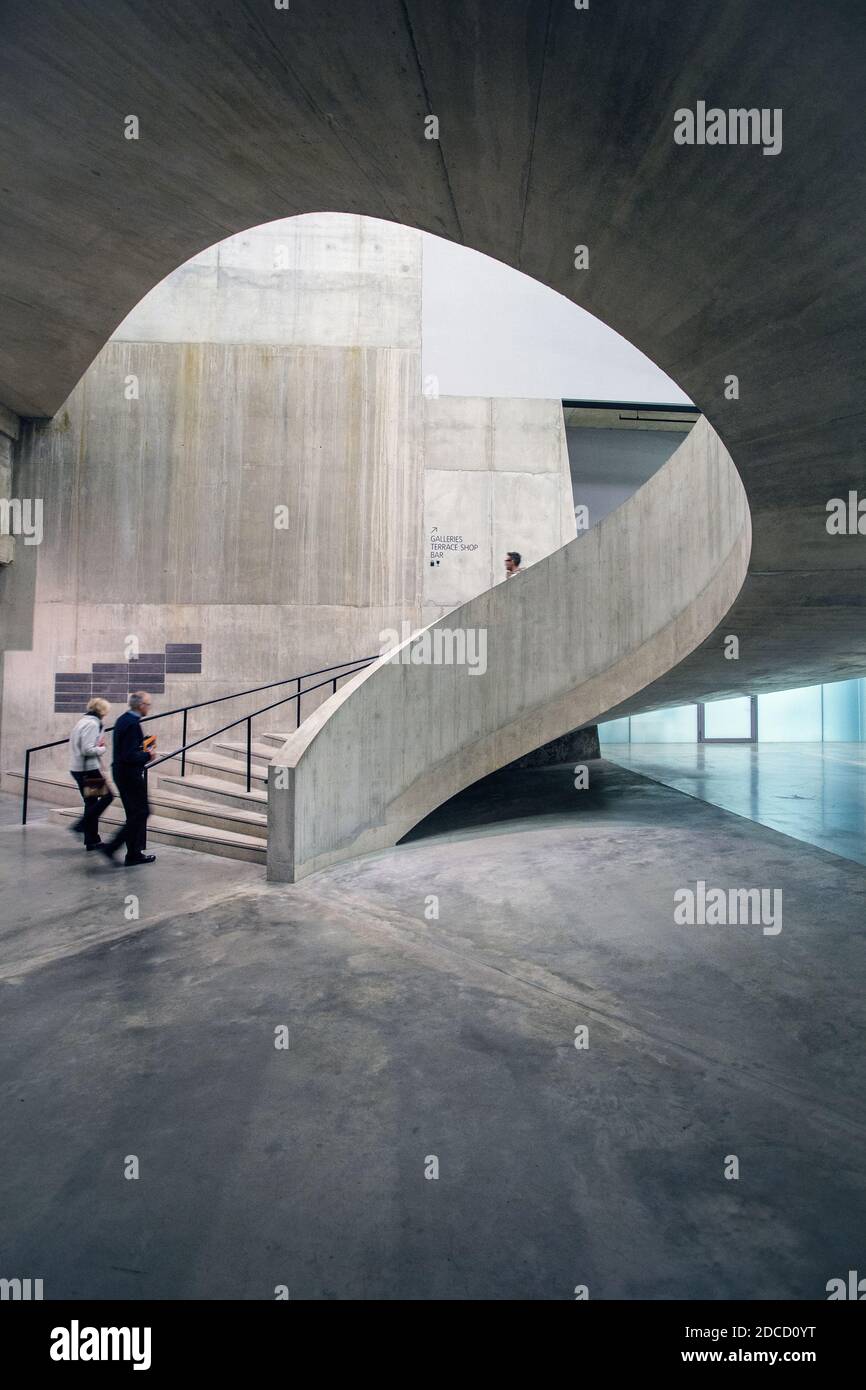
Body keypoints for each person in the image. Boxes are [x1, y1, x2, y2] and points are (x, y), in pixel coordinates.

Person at [100, 690, 157, 867]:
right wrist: (148, 756)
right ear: (141, 706)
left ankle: (133, 853)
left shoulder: (123, 719)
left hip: (121, 773)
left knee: (134, 814)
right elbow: (129, 755)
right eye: (148, 704)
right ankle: (113, 847)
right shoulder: (132, 723)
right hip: (129, 774)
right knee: (141, 812)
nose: (149, 707)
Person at [69, 697, 114, 850]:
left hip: (80, 769)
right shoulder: (92, 724)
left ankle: (92, 840)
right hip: (87, 770)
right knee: (108, 797)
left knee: (92, 802)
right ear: (102, 711)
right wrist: (102, 748)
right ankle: (82, 824)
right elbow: (87, 749)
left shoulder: (83, 721)